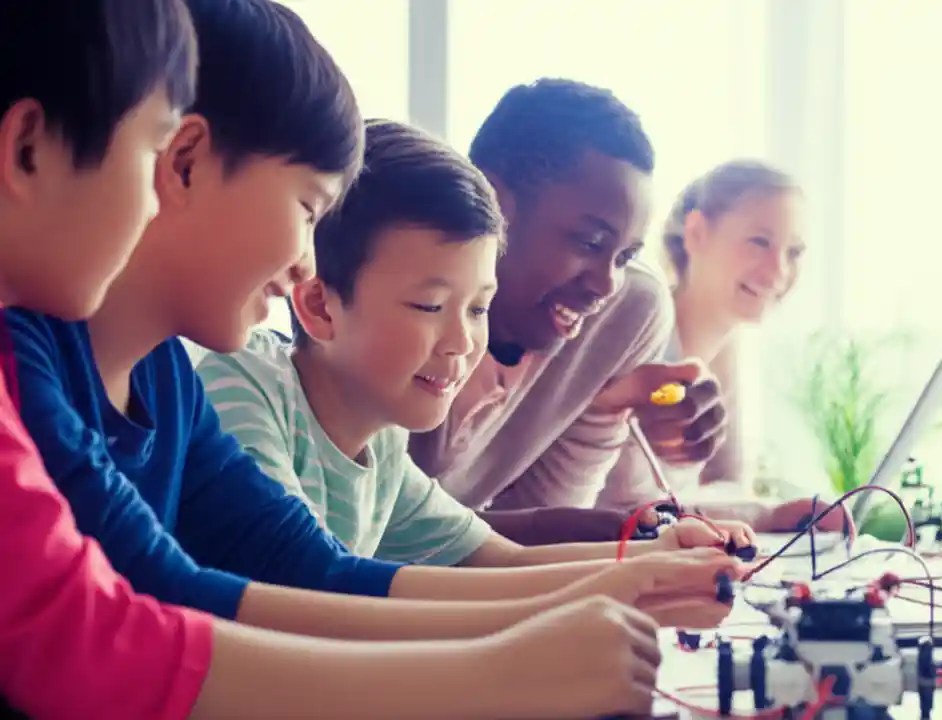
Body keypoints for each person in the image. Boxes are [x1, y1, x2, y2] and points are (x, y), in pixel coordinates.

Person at [0, 2, 668, 719]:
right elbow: (111, 628)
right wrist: (499, 668)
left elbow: (283, 573)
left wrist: (573, 615)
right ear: (29, 150)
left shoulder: (163, 375)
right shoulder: (32, 353)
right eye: (311, 209)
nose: (307, 266)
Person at [197, 118, 751, 573]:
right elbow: (313, 586)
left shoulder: (381, 446)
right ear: (317, 306)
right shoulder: (242, 385)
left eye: (479, 308)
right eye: (430, 307)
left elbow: (499, 562)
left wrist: (657, 558)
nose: (464, 341)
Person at [407, 78, 745, 544]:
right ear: (493, 203)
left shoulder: (623, 313)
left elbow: (529, 521)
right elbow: (376, 534)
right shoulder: (392, 300)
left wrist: (606, 411)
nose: (607, 283)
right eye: (589, 242)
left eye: (625, 257)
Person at [596, 160, 849, 533]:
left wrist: (777, 512)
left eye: (794, 252)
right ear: (696, 233)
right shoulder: (636, 333)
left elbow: (724, 484)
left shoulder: (725, 350)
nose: (778, 271)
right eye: (759, 242)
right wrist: (765, 514)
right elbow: (624, 506)